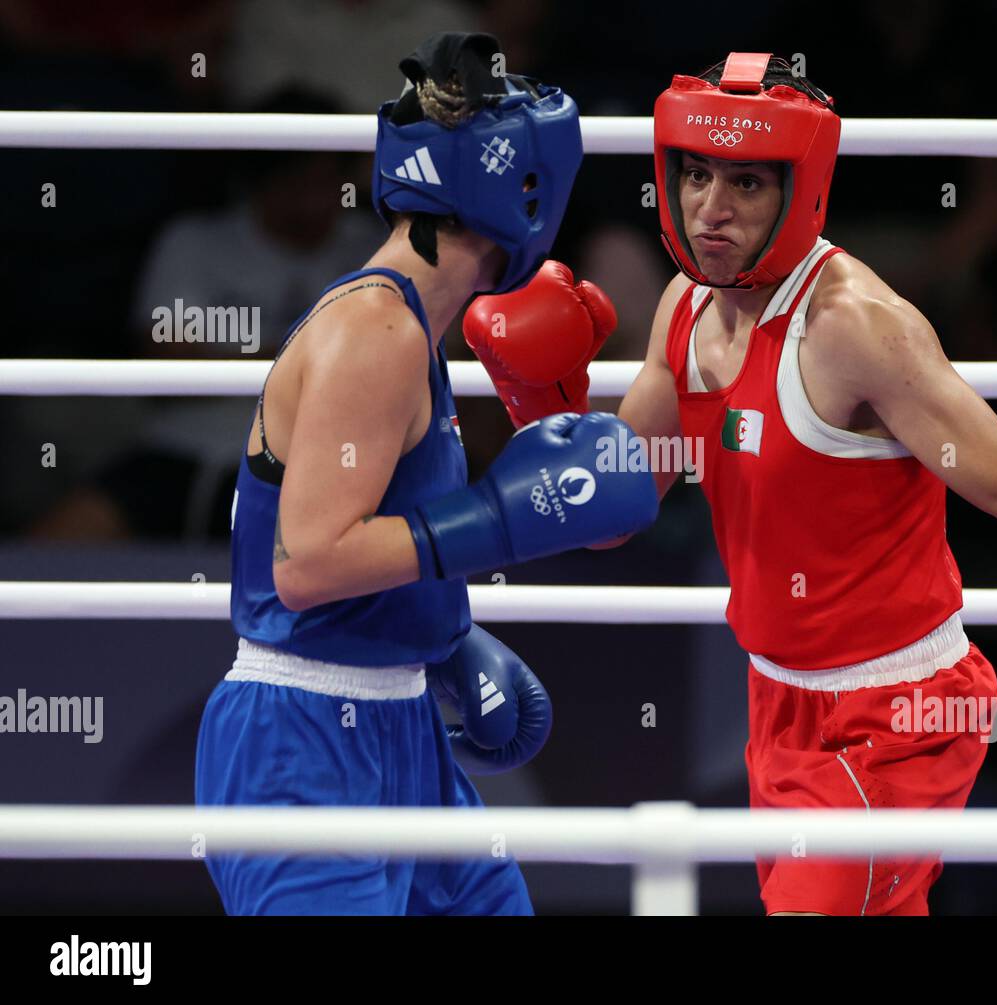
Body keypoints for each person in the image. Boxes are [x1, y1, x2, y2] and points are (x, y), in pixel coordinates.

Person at [465, 52, 997, 916]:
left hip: (903, 713)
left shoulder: (854, 329)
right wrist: (544, 410)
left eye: (745, 183)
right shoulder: (685, 310)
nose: (712, 207)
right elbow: (618, 509)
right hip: (778, 700)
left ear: (799, 189)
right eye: (697, 175)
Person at [194, 31, 657, 916]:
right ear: (519, 185)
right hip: (304, 744)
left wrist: (442, 634)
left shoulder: (415, 329)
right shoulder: (375, 333)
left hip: (397, 721)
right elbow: (308, 564)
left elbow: (376, 525)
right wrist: (499, 518)